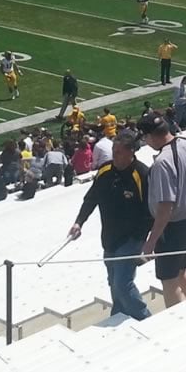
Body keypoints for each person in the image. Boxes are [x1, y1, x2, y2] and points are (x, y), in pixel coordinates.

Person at [69, 128, 153, 321]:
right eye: (114, 152)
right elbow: (91, 199)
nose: (115, 157)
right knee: (113, 282)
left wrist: (141, 240)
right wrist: (79, 222)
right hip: (109, 239)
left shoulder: (142, 174)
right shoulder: (105, 170)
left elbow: (150, 212)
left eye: (119, 153)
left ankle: (145, 318)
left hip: (131, 240)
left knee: (122, 284)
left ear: (131, 152)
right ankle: (119, 314)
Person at [140, 115, 186, 306]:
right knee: (180, 269)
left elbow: (165, 207)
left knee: (169, 280)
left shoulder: (162, 162)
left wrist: (151, 241)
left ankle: (181, 319)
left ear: (150, 137)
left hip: (176, 228)